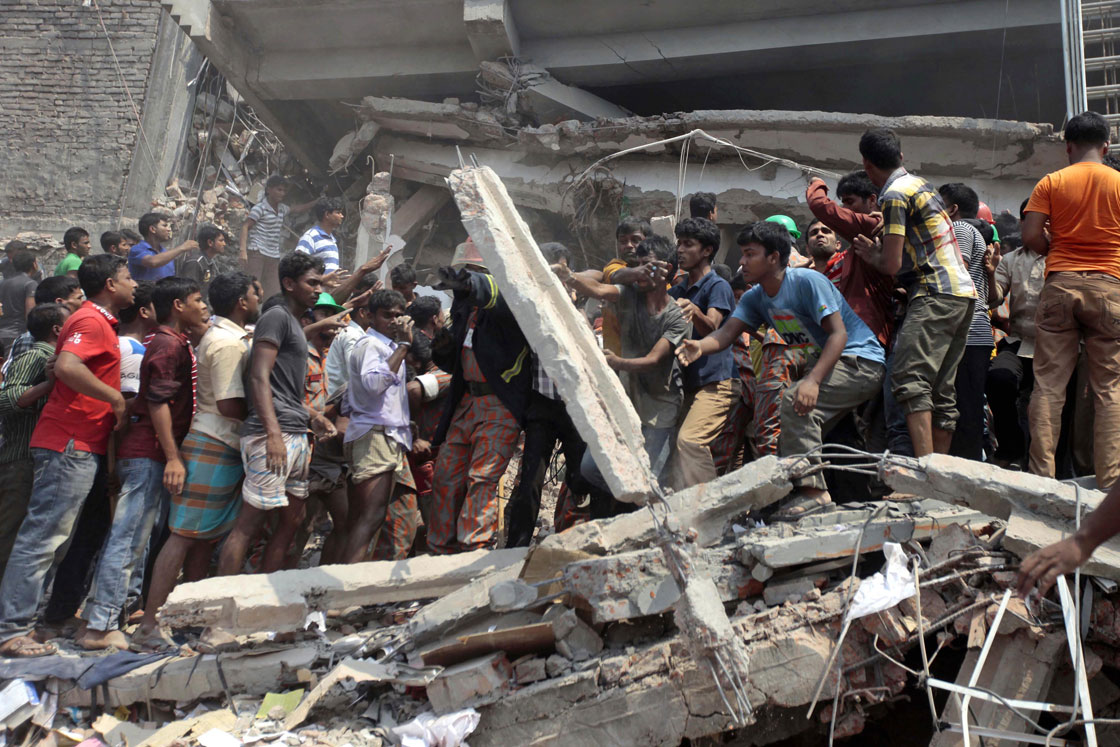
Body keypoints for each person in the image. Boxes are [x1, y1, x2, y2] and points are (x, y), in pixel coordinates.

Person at [678, 221, 885, 518]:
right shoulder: (755, 297)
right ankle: (842, 498)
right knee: (825, 434)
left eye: (750, 254)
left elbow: (838, 335)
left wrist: (812, 381)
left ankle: (815, 493)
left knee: (794, 402)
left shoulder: (805, 282)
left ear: (774, 257)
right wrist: (700, 346)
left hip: (860, 361)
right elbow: (725, 336)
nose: (742, 261)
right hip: (830, 368)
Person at [0, 254, 135, 657]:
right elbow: (69, 367)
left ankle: (33, 622)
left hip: (77, 442)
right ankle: (11, 629)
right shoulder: (91, 321)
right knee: (42, 538)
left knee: (54, 540)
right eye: (127, 277)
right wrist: (115, 399)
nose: (133, 284)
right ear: (110, 284)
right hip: (68, 442)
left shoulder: (97, 322)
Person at [74, 277, 208, 651]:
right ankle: (100, 627)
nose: (203, 307)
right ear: (178, 305)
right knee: (129, 538)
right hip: (148, 452)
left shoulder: (170, 342)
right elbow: (157, 403)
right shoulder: (166, 344)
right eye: (198, 299)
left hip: (146, 451)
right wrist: (172, 457)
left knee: (134, 539)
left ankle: (99, 621)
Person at [131, 273, 259, 650]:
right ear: (242, 300)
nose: (202, 305)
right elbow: (227, 404)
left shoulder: (226, 339)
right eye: (255, 292)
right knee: (185, 535)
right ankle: (149, 625)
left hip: (220, 444)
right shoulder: (225, 343)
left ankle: (190, 616)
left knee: (204, 538)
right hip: (214, 442)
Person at [851, 127, 976, 457]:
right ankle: (940, 477)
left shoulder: (893, 196)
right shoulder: (921, 185)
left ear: (866, 165)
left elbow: (891, 265)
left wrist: (870, 254)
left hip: (933, 292)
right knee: (941, 390)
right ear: (900, 156)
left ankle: (923, 475)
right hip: (962, 294)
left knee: (909, 379)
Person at [217, 253, 335, 576]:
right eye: (312, 283)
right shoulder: (276, 317)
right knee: (248, 524)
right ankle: (220, 616)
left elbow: (283, 389)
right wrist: (271, 433)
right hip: (274, 433)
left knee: (291, 523)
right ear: (288, 283)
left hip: (295, 432)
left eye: (320, 283)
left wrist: (312, 415)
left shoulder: (294, 324)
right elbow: (259, 376)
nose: (317, 290)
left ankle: (267, 601)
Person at [1023, 111, 1120, 490]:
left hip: (1060, 284)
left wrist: (1057, 249)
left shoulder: (1051, 182)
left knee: (1048, 385)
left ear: (1068, 146)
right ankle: (1111, 482)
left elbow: (1031, 236)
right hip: (1110, 287)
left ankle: (1041, 478)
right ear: (1106, 146)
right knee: (1109, 388)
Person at [564, 235, 690, 501]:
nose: (642, 270)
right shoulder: (629, 295)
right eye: (640, 264)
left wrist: (614, 362)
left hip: (659, 408)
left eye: (649, 265)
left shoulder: (676, 316)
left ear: (667, 269)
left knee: (649, 482)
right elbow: (598, 290)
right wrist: (570, 277)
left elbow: (653, 361)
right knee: (591, 468)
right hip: (626, 399)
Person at [426, 259, 529, 554]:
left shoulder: (509, 302)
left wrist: (472, 283)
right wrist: (444, 347)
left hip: (499, 403)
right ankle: (439, 552)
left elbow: (494, 293)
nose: (466, 279)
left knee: (482, 478)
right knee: (446, 475)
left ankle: (474, 553)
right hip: (466, 403)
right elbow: (454, 362)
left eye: (472, 273)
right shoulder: (463, 311)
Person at [341, 290, 419, 563]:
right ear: (369, 315)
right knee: (369, 518)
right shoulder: (370, 345)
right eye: (387, 315)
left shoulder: (386, 347)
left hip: (387, 436)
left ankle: (351, 589)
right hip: (374, 436)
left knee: (372, 519)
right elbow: (374, 385)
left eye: (399, 315)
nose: (395, 320)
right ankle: (345, 594)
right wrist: (404, 347)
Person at [0, 303, 69, 578]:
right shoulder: (36, 356)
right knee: (9, 533)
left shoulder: (60, 358)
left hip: (38, 460)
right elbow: (5, 400)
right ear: (57, 330)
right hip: (20, 460)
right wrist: (48, 385)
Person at [669, 217, 736, 488]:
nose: (680, 250)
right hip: (689, 385)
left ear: (707, 250)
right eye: (679, 244)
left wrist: (695, 311)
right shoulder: (677, 289)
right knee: (675, 451)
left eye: (688, 244)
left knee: (690, 441)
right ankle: (687, 517)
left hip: (716, 383)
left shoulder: (717, 286)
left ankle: (711, 508)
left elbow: (715, 329)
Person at [936, 183, 997, 461]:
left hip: (966, 330)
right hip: (977, 330)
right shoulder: (977, 234)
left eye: (940, 204)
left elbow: (954, 271)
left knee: (962, 405)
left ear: (953, 208)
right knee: (969, 403)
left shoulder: (959, 229)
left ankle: (965, 467)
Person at [987, 202, 1047, 469]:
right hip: (1020, 341)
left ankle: (1047, 461)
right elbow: (995, 297)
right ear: (1024, 224)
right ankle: (1011, 448)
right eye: (1032, 220)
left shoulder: (1066, 255)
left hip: (1059, 347)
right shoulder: (1010, 260)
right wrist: (990, 275)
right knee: (999, 378)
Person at [129, 212, 198, 283]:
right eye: (164, 226)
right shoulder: (137, 249)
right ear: (152, 229)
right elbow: (152, 262)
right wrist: (182, 248)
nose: (169, 229)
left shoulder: (165, 253)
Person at [117, 282, 157, 398]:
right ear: (144, 312)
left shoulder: (120, 342)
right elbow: (127, 402)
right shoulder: (134, 352)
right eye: (157, 305)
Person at [0, 250, 39, 353]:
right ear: (33, 264)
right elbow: (30, 312)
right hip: (17, 334)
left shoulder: (3, 283)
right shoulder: (30, 284)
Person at [296, 198, 345, 275]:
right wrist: (321, 280)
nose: (342, 216)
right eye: (338, 213)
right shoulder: (310, 236)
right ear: (327, 215)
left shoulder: (332, 240)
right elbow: (297, 265)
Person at [179, 224, 228, 297]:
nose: (224, 244)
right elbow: (188, 292)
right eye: (221, 240)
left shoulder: (211, 261)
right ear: (210, 243)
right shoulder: (195, 262)